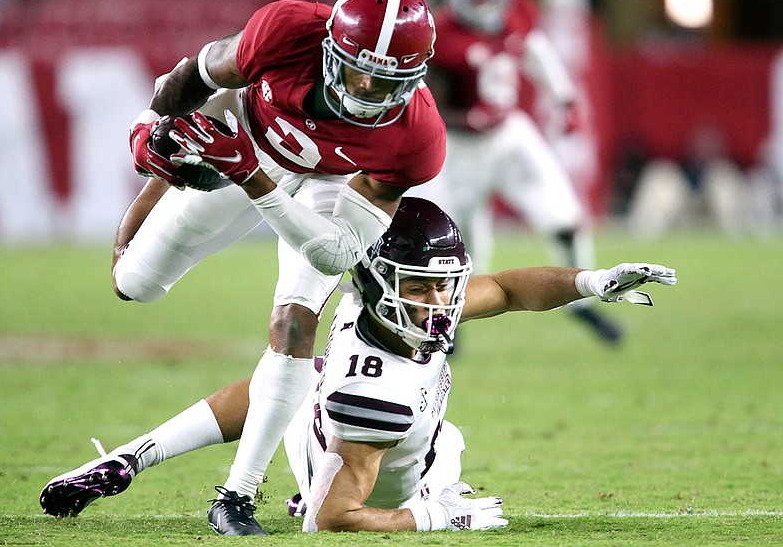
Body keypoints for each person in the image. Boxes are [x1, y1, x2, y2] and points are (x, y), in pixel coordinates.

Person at [41, 198, 677, 533]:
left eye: (444, 285)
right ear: (379, 282)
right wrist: (429, 516)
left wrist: (591, 280)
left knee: (286, 382)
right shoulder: (377, 392)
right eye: (422, 287)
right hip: (371, 467)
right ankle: (267, 490)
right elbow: (330, 522)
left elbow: (510, 289)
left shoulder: (384, 299)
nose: (440, 303)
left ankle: (131, 456)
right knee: (379, 440)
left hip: (327, 425)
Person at [112, 0, 446, 534]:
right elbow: (191, 79)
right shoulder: (287, 30)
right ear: (331, 47)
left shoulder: (417, 138)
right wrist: (153, 136)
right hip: (241, 138)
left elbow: (338, 252)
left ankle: (236, 496)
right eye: (359, 68)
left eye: (389, 80)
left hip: (329, 186)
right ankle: (162, 198)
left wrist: (252, 176)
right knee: (134, 282)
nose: (368, 89)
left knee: (296, 321)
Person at [419, 0, 623, 344]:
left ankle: (583, 303)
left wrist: (565, 99)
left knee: (565, 221)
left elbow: (536, 52)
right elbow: (418, 97)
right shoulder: (436, 34)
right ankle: (445, 327)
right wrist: (448, 117)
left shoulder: (518, 13)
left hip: (510, 134)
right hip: (457, 145)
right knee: (451, 247)